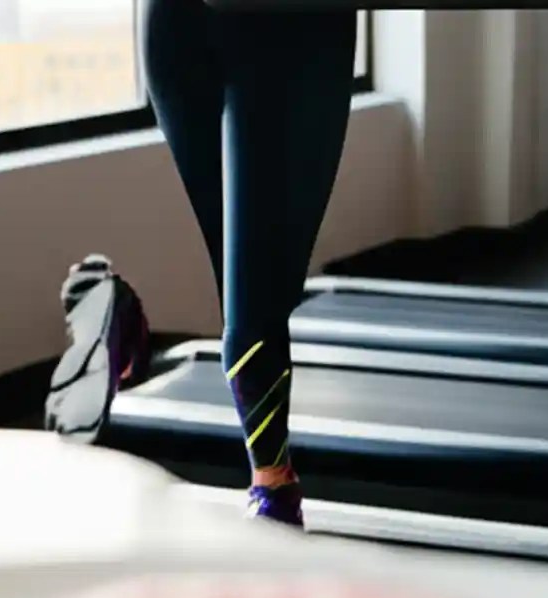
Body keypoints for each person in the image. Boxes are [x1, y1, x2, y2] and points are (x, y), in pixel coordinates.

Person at [45, 0, 359, 529]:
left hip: (175, 27)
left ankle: (132, 337)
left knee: (247, 278)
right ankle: (273, 487)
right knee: (258, 297)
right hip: (285, 30)